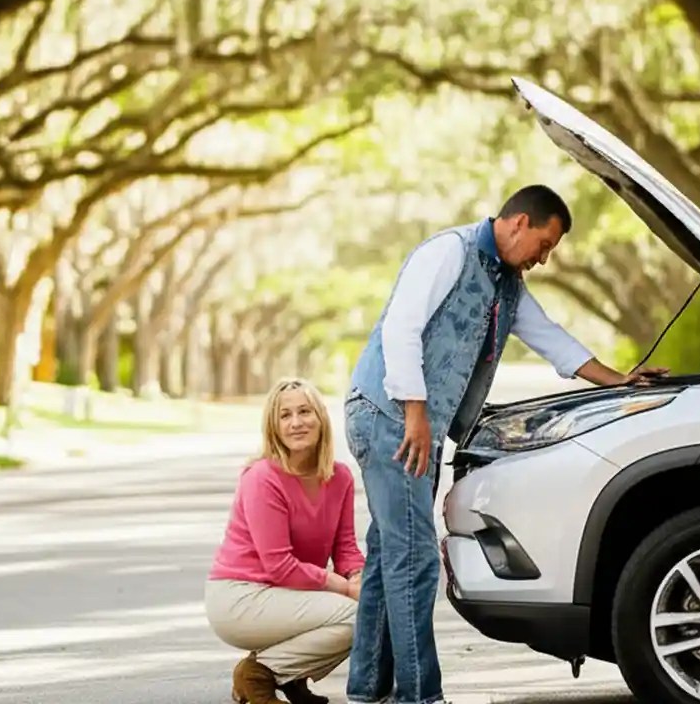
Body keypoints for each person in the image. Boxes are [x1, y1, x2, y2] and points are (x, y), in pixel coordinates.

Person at [343, 184, 667, 704]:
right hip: (389, 415)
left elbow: (550, 337)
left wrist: (619, 380)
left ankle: (366, 688)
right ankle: (421, 697)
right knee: (415, 559)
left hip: (406, 420)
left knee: (389, 553)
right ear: (519, 223)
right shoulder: (448, 252)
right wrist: (416, 412)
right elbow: (402, 328)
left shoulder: (506, 283)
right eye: (545, 243)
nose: (544, 258)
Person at [206, 377, 367, 704]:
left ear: (321, 418)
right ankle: (258, 675)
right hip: (241, 597)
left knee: (373, 606)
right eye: (285, 415)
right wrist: (344, 587)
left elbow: (346, 547)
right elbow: (278, 566)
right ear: (274, 426)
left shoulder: (339, 477)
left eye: (305, 411)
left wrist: (358, 577)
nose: (296, 423)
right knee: (357, 615)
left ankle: (289, 677)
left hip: (288, 592)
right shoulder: (263, 479)